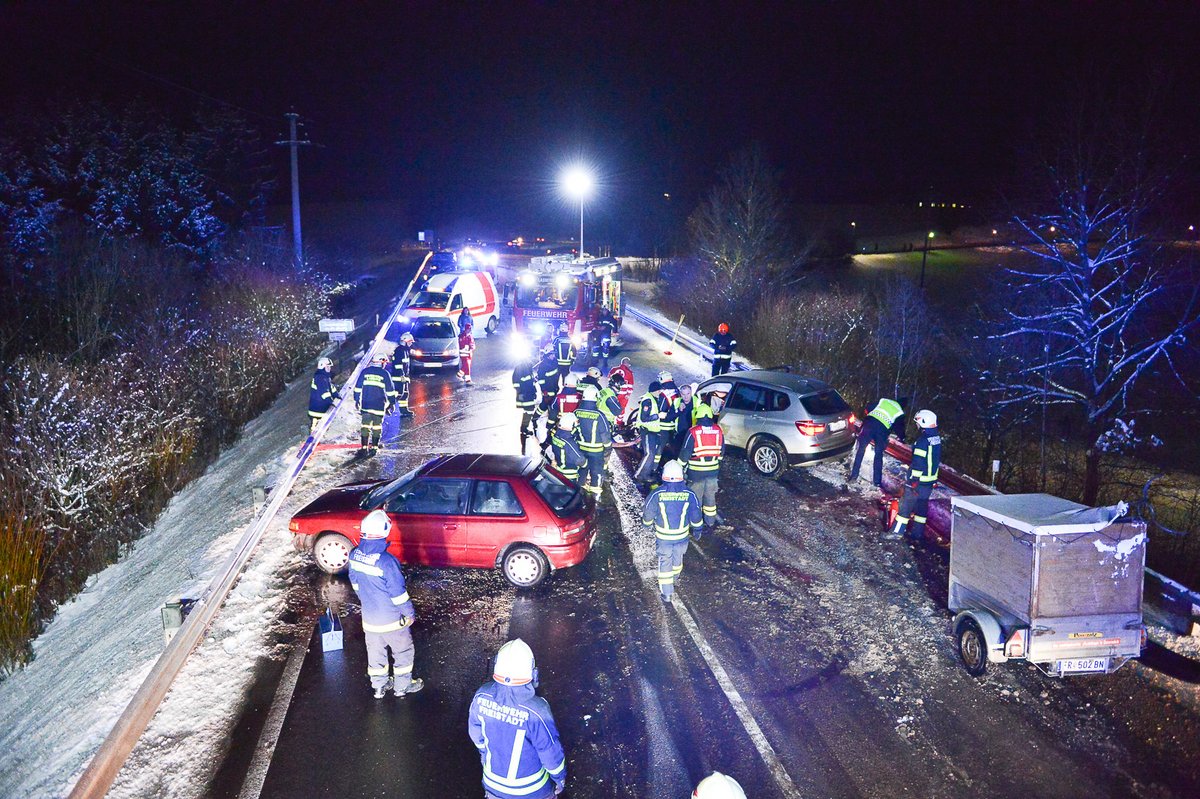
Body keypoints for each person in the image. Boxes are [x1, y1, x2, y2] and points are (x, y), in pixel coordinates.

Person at [468, 639, 567, 799]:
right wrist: (559, 777)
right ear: (532, 672)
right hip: (532, 790)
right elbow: (549, 752)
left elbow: (476, 733)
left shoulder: (481, 696)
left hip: (492, 784)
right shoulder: (537, 710)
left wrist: (484, 752)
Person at [348, 509, 424, 699]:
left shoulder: (355, 555)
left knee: (375, 655)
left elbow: (355, 584)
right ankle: (402, 687)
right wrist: (409, 614)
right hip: (391, 621)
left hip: (370, 620)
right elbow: (398, 594)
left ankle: (379, 688)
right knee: (403, 652)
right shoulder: (387, 562)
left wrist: (368, 600)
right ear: (384, 531)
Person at [642, 460, 703, 604]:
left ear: (664, 476)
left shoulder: (657, 493)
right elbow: (696, 514)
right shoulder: (690, 494)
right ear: (682, 476)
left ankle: (667, 593)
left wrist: (646, 525)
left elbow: (648, 512)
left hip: (664, 539)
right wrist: (698, 529)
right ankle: (674, 578)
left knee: (665, 562)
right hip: (682, 538)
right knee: (677, 560)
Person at [891, 409, 941, 541]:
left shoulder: (923, 440)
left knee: (905, 506)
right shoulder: (936, 438)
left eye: (918, 422)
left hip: (918, 481)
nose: (917, 425)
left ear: (924, 422)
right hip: (929, 482)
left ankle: (896, 532)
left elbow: (918, 462)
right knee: (921, 507)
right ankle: (917, 534)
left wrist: (913, 479)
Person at [678, 402, 726, 530]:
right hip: (713, 471)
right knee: (710, 496)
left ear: (697, 416)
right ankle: (710, 521)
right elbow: (722, 450)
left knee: (695, 497)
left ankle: (695, 524)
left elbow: (685, 452)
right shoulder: (718, 430)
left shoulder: (693, 432)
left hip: (696, 471)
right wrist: (716, 461)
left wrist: (679, 467)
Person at [848, 396, 908, 488]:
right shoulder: (899, 412)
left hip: (869, 424)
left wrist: (868, 418)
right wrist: (902, 438)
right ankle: (877, 482)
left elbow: (869, 407)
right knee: (878, 455)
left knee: (861, 450)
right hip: (882, 431)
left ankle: (853, 476)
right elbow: (899, 428)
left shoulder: (884, 401)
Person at [354, 353, 397, 455]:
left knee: (365, 425)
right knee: (377, 426)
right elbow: (390, 390)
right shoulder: (385, 374)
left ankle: (364, 448)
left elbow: (358, 387)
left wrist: (356, 400)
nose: (385, 365)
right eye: (384, 363)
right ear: (381, 362)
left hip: (366, 404)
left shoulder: (365, 372)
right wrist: (392, 403)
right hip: (378, 405)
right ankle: (374, 447)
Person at [575, 384, 611, 499]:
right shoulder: (599, 415)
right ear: (596, 398)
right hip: (596, 452)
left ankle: (578, 495)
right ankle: (595, 497)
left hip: (580, 449)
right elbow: (605, 434)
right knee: (597, 473)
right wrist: (608, 447)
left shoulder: (576, 412)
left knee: (581, 472)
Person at [634, 380, 668, 487]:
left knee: (652, 454)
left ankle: (646, 475)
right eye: (659, 390)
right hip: (647, 431)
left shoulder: (653, 399)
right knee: (649, 454)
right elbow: (644, 418)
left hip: (653, 431)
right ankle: (639, 476)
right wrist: (658, 416)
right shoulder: (648, 400)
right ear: (655, 390)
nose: (660, 392)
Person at [513, 354, 540, 454]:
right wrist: (521, 392)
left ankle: (524, 428)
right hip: (526, 394)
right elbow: (516, 383)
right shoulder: (521, 368)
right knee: (528, 410)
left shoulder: (526, 368)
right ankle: (524, 428)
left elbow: (529, 381)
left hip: (528, 394)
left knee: (528, 410)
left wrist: (534, 380)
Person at [548, 412, 585, 483]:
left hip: (559, 470)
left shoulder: (556, 435)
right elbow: (580, 460)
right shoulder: (569, 442)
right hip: (569, 475)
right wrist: (586, 465)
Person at [307, 356, 337, 432]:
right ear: (323, 367)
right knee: (316, 431)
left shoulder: (325, 377)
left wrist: (337, 396)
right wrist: (331, 403)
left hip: (320, 408)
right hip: (318, 410)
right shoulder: (320, 378)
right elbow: (324, 393)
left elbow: (331, 389)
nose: (330, 369)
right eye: (328, 367)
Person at [536, 344, 562, 426]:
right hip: (547, 390)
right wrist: (544, 390)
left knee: (552, 406)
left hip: (554, 388)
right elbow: (541, 380)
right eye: (552, 354)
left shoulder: (554, 362)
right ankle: (535, 418)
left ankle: (551, 422)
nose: (554, 356)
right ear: (547, 355)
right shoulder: (543, 365)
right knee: (544, 405)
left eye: (554, 354)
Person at [390, 333, 415, 416]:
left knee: (405, 394)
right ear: (405, 341)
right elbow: (398, 365)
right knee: (399, 393)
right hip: (399, 377)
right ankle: (387, 406)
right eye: (410, 341)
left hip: (403, 377)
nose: (411, 343)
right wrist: (402, 376)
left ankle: (404, 410)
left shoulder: (405, 351)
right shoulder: (400, 351)